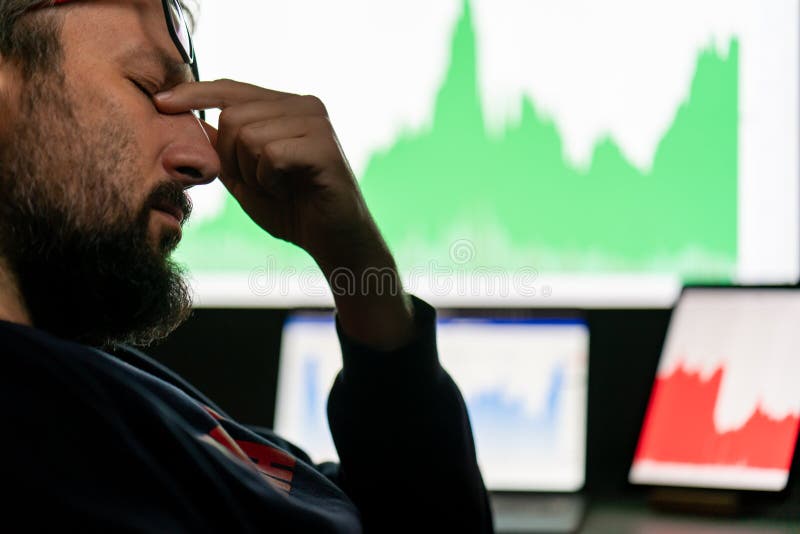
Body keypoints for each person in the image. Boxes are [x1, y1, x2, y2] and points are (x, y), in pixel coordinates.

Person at [0, 0, 493, 531]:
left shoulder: (106, 379)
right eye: (147, 88)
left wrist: (354, 260)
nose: (205, 158)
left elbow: (414, 516)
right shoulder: (29, 421)